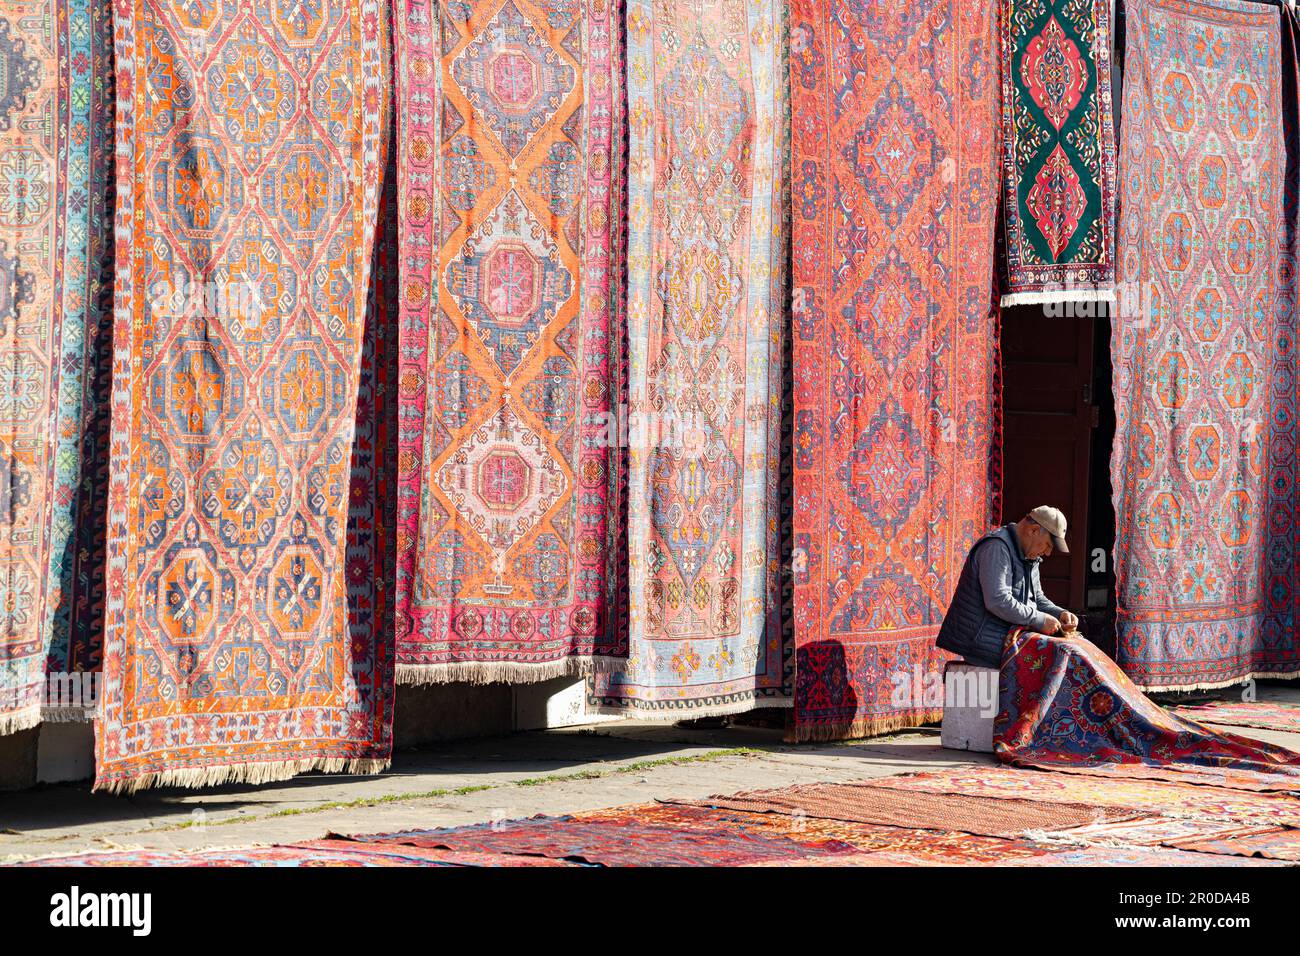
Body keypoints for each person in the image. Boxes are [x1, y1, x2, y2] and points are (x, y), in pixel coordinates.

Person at [936, 505, 1079, 669]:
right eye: (1047, 545)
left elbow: (1037, 599)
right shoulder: (997, 547)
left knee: (1069, 655)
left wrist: (1060, 613)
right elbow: (998, 600)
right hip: (982, 644)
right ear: (1033, 530)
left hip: (1006, 639)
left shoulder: (1029, 555)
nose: (1047, 553)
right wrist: (1038, 619)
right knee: (1053, 664)